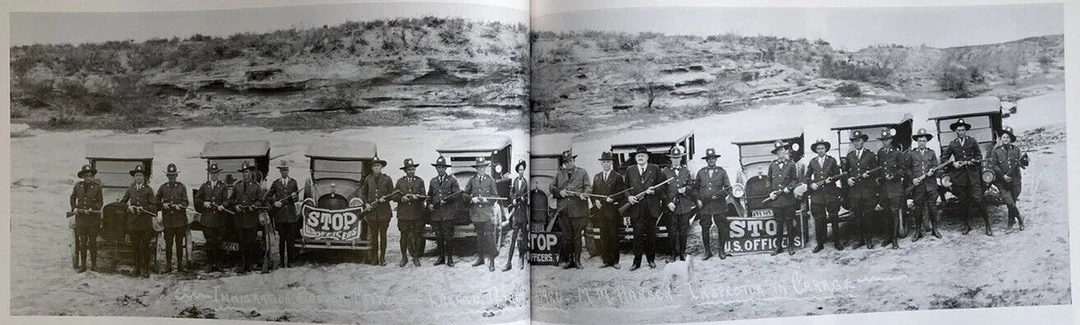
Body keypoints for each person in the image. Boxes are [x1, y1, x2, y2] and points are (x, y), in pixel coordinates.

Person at [941, 118, 991, 236]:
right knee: (963, 202)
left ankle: (987, 225)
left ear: (966, 131)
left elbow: (979, 156)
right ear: (956, 131)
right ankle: (966, 225)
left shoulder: (972, 142)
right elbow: (944, 158)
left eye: (963, 130)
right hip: (960, 178)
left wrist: (974, 161)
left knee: (979, 199)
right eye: (959, 130)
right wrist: (953, 163)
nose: (961, 132)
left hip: (973, 176)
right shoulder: (952, 144)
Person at [625, 145, 664, 270]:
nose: (640, 158)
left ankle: (651, 260)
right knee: (637, 235)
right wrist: (629, 197)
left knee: (651, 235)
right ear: (635, 158)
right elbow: (626, 188)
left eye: (642, 155)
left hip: (651, 207)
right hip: (636, 208)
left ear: (647, 157)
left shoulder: (655, 168)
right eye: (638, 156)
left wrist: (654, 191)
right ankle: (636, 262)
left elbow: (662, 187)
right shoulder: (630, 170)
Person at [550, 149, 590, 269]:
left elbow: (588, 187)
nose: (569, 164)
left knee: (577, 236)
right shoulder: (559, 174)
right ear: (564, 163)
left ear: (574, 160)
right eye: (566, 162)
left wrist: (585, 194)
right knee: (567, 237)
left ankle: (577, 261)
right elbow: (551, 187)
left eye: (570, 161)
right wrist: (560, 192)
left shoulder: (582, 173)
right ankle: (569, 261)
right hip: (563, 211)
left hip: (578, 211)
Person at [903, 128, 943, 240]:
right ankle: (918, 231)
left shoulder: (931, 153)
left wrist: (933, 171)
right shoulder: (912, 154)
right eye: (920, 140)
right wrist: (913, 179)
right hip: (918, 186)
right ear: (917, 141)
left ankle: (935, 229)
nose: (922, 142)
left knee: (933, 208)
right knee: (918, 209)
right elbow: (907, 169)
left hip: (930, 185)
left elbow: (937, 167)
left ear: (926, 141)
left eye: (923, 140)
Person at [804, 140, 843, 253]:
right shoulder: (812, 162)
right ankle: (820, 244)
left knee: (834, 218)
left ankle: (837, 242)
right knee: (819, 220)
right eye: (818, 149)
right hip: (817, 196)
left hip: (830, 194)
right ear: (816, 151)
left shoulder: (831, 160)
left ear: (825, 149)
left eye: (822, 148)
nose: (820, 150)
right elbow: (806, 177)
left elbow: (838, 175)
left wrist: (832, 179)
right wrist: (811, 184)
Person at [695, 148, 734, 259]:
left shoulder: (722, 172)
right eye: (709, 159)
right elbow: (695, 189)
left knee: (722, 227)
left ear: (716, 159)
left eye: (713, 158)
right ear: (706, 160)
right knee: (705, 227)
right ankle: (707, 251)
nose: (711, 161)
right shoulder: (701, 172)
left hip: (719, 205)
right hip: (705, 206)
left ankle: (721, 250)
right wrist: (698, 200)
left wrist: (719, 196)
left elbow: (728, 188)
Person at [843, 130, 879, 249]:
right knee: (857, 217)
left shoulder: (870, 155)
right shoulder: (850, 156)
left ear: (863, 141)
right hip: (855, 192)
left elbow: (877, 172)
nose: (857, 143)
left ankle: (869, 240)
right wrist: (848, 180)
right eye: (855, 141)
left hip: (867, 191)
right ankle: (860, 240)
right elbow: (845, 172)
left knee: (868, 217)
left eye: (859, 140)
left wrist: (868, 175)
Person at [987, 126, 1028, 231]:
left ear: (1011, 140)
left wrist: (1025, 160)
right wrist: (1003, 175)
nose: (1005, 139)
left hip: (1015, 181)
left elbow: (1024, 163)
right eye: (1004, 137)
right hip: (1002, 182)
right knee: (1009, 202)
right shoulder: (996, 151)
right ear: (1001, 139)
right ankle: (1020, 219)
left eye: (1008, 138)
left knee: (1013, 202)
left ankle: (1010, 224)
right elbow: (994, 166)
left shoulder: (1016, 150)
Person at [120, 164, 157, 277]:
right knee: (135, 247)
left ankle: (145, 269)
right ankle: (137, 269)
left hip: (145, 224)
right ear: (134, 177)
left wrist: (144, 208)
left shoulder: (148, 190)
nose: (139, 177)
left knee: (145, 247)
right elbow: (122, 203)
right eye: (137, 175)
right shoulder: (130, 189)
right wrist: (128, 207)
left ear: (144, 177)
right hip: (133, 224)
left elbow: (154, 207)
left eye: (141, 175)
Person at [356, 156, 394, 265]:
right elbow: (363, 194)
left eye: (378, 166)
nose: (376, 168)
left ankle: (382, 258)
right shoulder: (368, 179)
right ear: (372, 168)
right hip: (371, 214)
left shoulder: (387, 179)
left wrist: (385, 198)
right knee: (373, 237)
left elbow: (392, 194)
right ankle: (374, 258)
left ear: (381, 167)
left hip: (384, 213)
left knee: (383, 236)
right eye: (374, 166)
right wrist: (366, 203)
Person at [592, 152, 627, 268]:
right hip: (600, 212)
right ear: (601, 163)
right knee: (603, 236)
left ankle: (615, 261)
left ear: (611, 163)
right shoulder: (597, 177)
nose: (606, 164)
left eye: (608, 162)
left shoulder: (617, 176)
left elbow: (622, 194)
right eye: (604, 162)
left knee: (613, 236)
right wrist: (595, 201)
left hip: (612, 212)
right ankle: (606, 260)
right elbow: (593, 194)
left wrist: (613, 199)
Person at [464, 156, 499, 272]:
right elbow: (464, 194)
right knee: (479, 237)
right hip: (476, 214)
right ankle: (480, 259)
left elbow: (495, 196)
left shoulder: (490, 180)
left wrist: (486, 200)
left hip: (486, 213)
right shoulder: (472, 180)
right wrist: (471, 199)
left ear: (485, 168)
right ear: (476, 168)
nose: (481, 169)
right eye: (479, 168)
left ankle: (492, 261)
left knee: (489, 237)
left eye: (483, 167)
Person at [661, 145, 695, 262]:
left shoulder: (686, 171)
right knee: (672, 231)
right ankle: (672, 254)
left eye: (678, 157)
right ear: (670, 159)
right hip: (671, 207)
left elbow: (691, 186)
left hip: (684, 206)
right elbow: (662, 191)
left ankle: (682, 253)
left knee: (683, 231)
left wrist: (685, 189)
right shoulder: (665, 172)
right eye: (674, 158)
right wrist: (668, 203)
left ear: (681, 158)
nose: (676, 160)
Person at [230, 161, 265, 273]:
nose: (245, 174)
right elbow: (231, 199)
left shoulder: (256, 186)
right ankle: (243, 264)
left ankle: (250, 264)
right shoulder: (237, 185)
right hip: (240, 219)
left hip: (251, 219)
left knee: (250, 242)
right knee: (241, 242)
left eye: (247, 172)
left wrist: (254, 206)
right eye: (243, 172)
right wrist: (236, 206)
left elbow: (261, 200)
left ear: (250, 173)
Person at [766, 141, 799, 256]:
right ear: (776, 153)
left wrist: (789, 188)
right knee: (778, 223)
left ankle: (790, 246)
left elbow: (795, 180)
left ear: (785, 151)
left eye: (782, 150)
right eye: (778, 151)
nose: (780, 152)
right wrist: (770, 193)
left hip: (788, 199)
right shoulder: (772, 165)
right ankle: (779, 247)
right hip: (776, 201)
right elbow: (768, 180)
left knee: (789, 222)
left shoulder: (791, 164)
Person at [427, 156, 461, 267]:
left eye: (442, 167)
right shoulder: (433, 181)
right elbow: (430, 195)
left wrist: (447, 200)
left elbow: (457, 195)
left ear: (445, 168)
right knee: (438, 237)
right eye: (438, 167)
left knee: (448, 237)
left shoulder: (452, 180)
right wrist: (429, 205)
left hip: (448, 214)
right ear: (436, 168)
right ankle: (441, 257)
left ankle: (450, 259)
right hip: (436, 215)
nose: (440, 169)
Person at [876, 128, 906, 249]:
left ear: (891, 140)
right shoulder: (880, 153)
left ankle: (894, 239)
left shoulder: (897, 153)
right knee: (886, 213)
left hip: (895, 188)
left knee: (894, 213)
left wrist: (893, 176)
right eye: (883, 140)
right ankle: (888, 237)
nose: (885, 142)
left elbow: (903, 170)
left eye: (887, 139)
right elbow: (879, 169)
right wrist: (879, 178)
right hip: (884, 189)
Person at [195, 163, 229, 272]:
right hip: (207, 220)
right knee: (209, 242)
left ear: (218, 173)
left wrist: (222, 206)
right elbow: (197, 199)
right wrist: (204, 203)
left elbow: (226, 200)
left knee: (219, 241)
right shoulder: (204, 186)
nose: (213, 175)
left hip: (219, 219)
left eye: (215, 173)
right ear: (209, 174)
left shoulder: (223, 186)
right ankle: (210, 264)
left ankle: (218, 264)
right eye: (211, 173)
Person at [70, 164, 103, 273]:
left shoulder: (97, 187)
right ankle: (83, 265)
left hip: (93, 220)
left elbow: (100, 202)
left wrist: (92, 208)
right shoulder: (77, 186)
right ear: (83, 176)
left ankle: (94, 265)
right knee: (82, 243)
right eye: (86, 176)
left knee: (93, 243)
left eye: (90, 175)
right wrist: (74, 208)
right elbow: (72, 197)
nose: (88, 178)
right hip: (81, 220)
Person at [266, 160, 300, 268]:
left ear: (288, 170)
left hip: (290, 216)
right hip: (280, 216)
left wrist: (295, 196)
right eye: (282, 170)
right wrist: (274, 203)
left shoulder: (293, 182)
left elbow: (297, 198)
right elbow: (267, 196)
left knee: (290, 240)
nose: (284, 172)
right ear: (280, 171)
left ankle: (289, 261)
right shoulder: (276, 183)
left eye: (286, 170)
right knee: (281, 240)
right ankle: (281, 261)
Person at [157, 163, 190, 272]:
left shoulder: (181, 187)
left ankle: (180, 265)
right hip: (168, 221)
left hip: (180, 221)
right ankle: (168, 265)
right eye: (169, 175)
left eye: (173, 175)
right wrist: (162, 205)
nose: (171, 177)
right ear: (167, 176)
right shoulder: (163, 187)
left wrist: (180, 206)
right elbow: (156, 201)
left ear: (176, 176)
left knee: (179, 244)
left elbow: (186, 202)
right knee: (169, 243)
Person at [394, 158, 427, 267]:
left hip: (416, 213)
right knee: (403, 235)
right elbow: (394, 195)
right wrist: (401, 197)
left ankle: (416, 257)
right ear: (405, 171)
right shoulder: (400, 182)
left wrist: (416, 197)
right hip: (403, 214)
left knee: (417, 235)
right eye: (409, 170)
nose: (411, 171)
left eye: (413, 169)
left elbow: (424, 196)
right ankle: (404, 257)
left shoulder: (419, 181)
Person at [503, 159, 530, 271]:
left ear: (524, 170)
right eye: (519, 170)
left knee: (523, 238)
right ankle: (508, 263)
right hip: (516, 214)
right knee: (513, 238)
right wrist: (513, 199)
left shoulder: (525, 182)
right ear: (517, 170)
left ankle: (521, 259)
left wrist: (524, 199)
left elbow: (528, 199)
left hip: (523, 214)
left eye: (522, 170)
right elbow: (512, 193)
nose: (521, 171)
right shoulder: (515, 181)